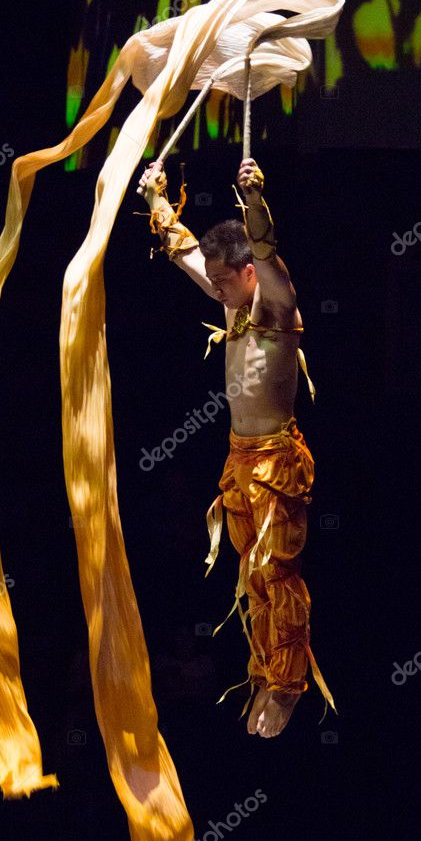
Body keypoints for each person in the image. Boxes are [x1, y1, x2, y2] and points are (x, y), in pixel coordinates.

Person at [137, 156, 336, 738]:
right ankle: (265, 672)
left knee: (279, 573)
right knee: (251, 577)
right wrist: (154, 196)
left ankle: (290, 685)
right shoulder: (233, 299)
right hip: (238, 457)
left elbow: (269, 254)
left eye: (226, 280)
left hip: (276, 460)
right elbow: (183, 252)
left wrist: (253, 201)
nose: (216, 289)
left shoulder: (276, 305)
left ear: (247, 272)